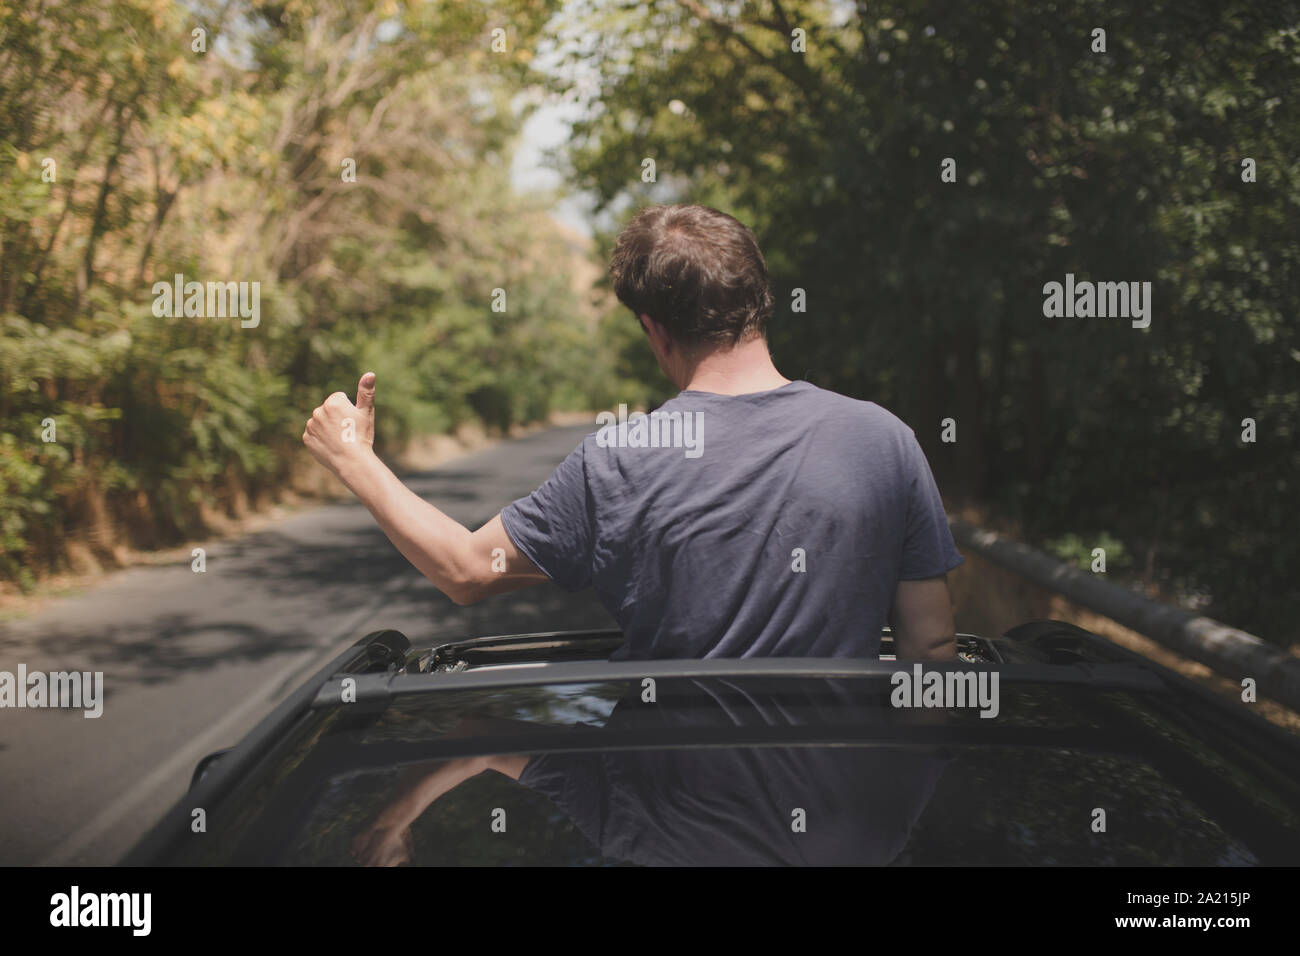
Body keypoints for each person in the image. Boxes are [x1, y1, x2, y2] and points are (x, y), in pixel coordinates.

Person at [303, 203, 962, 661]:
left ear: (654, 328)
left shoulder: (619, 459)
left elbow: (466, 570)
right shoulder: (885, 441)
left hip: (663, 821)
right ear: (761, 297)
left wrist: (354, 458)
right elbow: (930, 648)